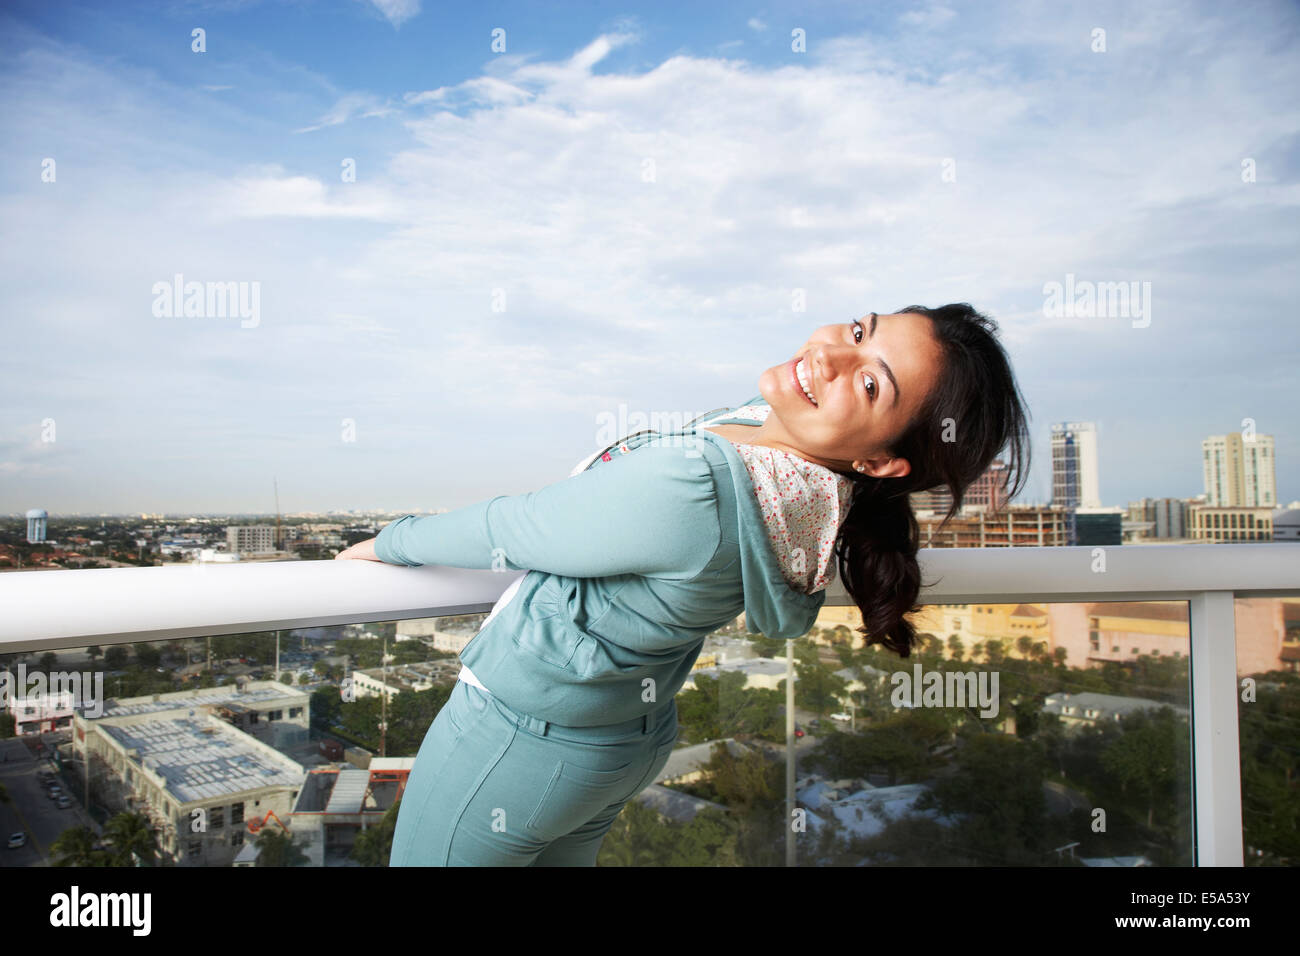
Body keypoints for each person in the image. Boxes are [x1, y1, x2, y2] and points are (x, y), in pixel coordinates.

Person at [336, 304, 1032, 866]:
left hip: (520, 737)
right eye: (859, 330)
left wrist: (385, 542)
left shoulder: (698, 490)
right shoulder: (803, 478)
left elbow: (515, 528)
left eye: (871, 383)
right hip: (619, 742)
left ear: (880, 462)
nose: (830, 355)